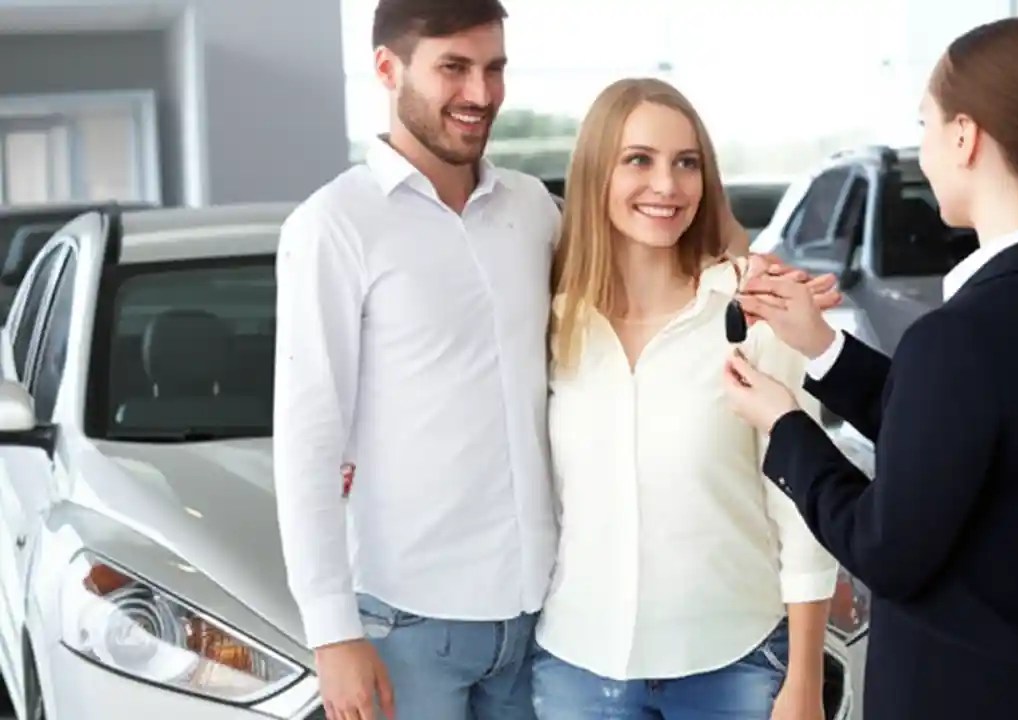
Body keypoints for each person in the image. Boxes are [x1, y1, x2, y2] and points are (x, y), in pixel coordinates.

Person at [272, 2, 840, 719]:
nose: (480, 93)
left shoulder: (533, 212)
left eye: (494, 68)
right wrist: (331, 635)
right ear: (386, 69)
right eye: (453, 67)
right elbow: (307, 443)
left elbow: (652, 230)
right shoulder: (335, 226)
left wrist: (760, 272)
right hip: (410, 620)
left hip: (538, 622)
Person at [722, 17, 1018, 720]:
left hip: (964, 694)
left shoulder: (963, 334)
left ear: (965, 136)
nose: (922, 151)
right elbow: (959, 440)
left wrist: (786, 426)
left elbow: (887, 550)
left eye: (925, 124)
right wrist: (822, 346)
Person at [530, 76, 838, 720]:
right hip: (578, 671)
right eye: (638, 160)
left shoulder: (752, 313)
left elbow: (803, 506)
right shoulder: (552, 323)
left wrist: (804, 679)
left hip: (736, 668)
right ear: (595, 174)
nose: (667, 186)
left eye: (686, 163)